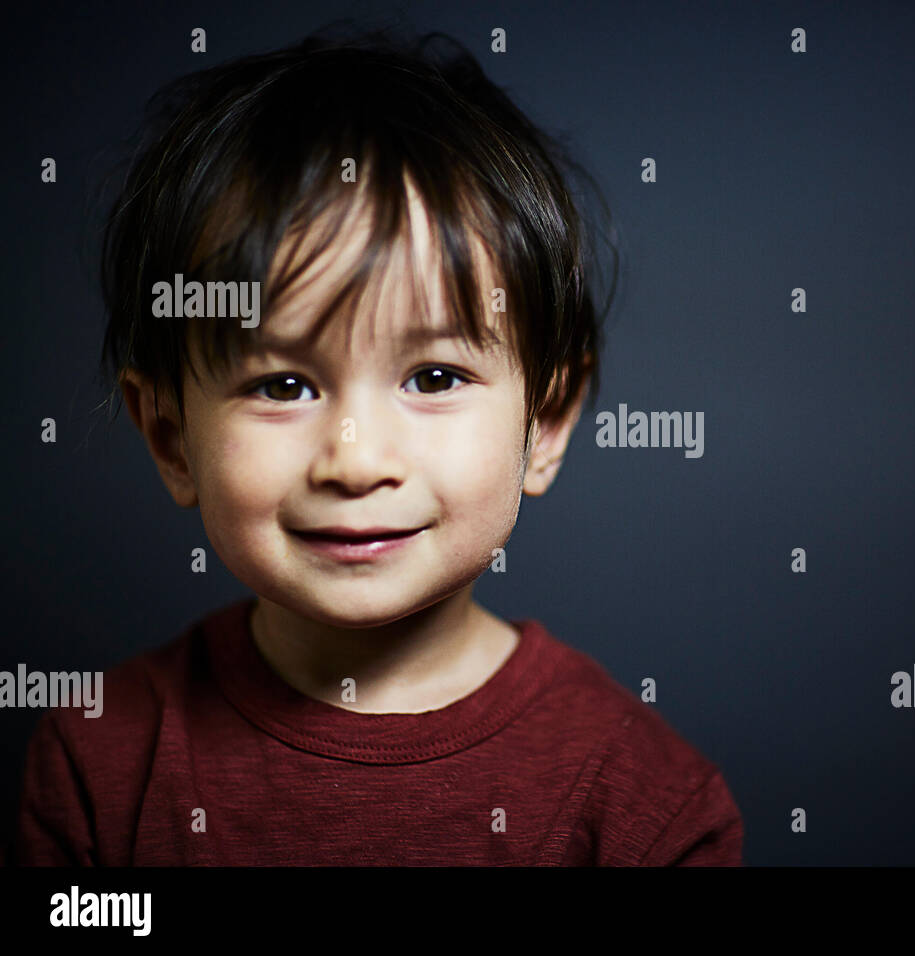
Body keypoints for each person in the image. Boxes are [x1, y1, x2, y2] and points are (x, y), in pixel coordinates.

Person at [10, 28, 742, 865]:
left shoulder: (645, 801)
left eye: (433, 378)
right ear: (172, 439)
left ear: (544, 423)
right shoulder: (99, 762)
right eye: (284, 387)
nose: (356, 462)